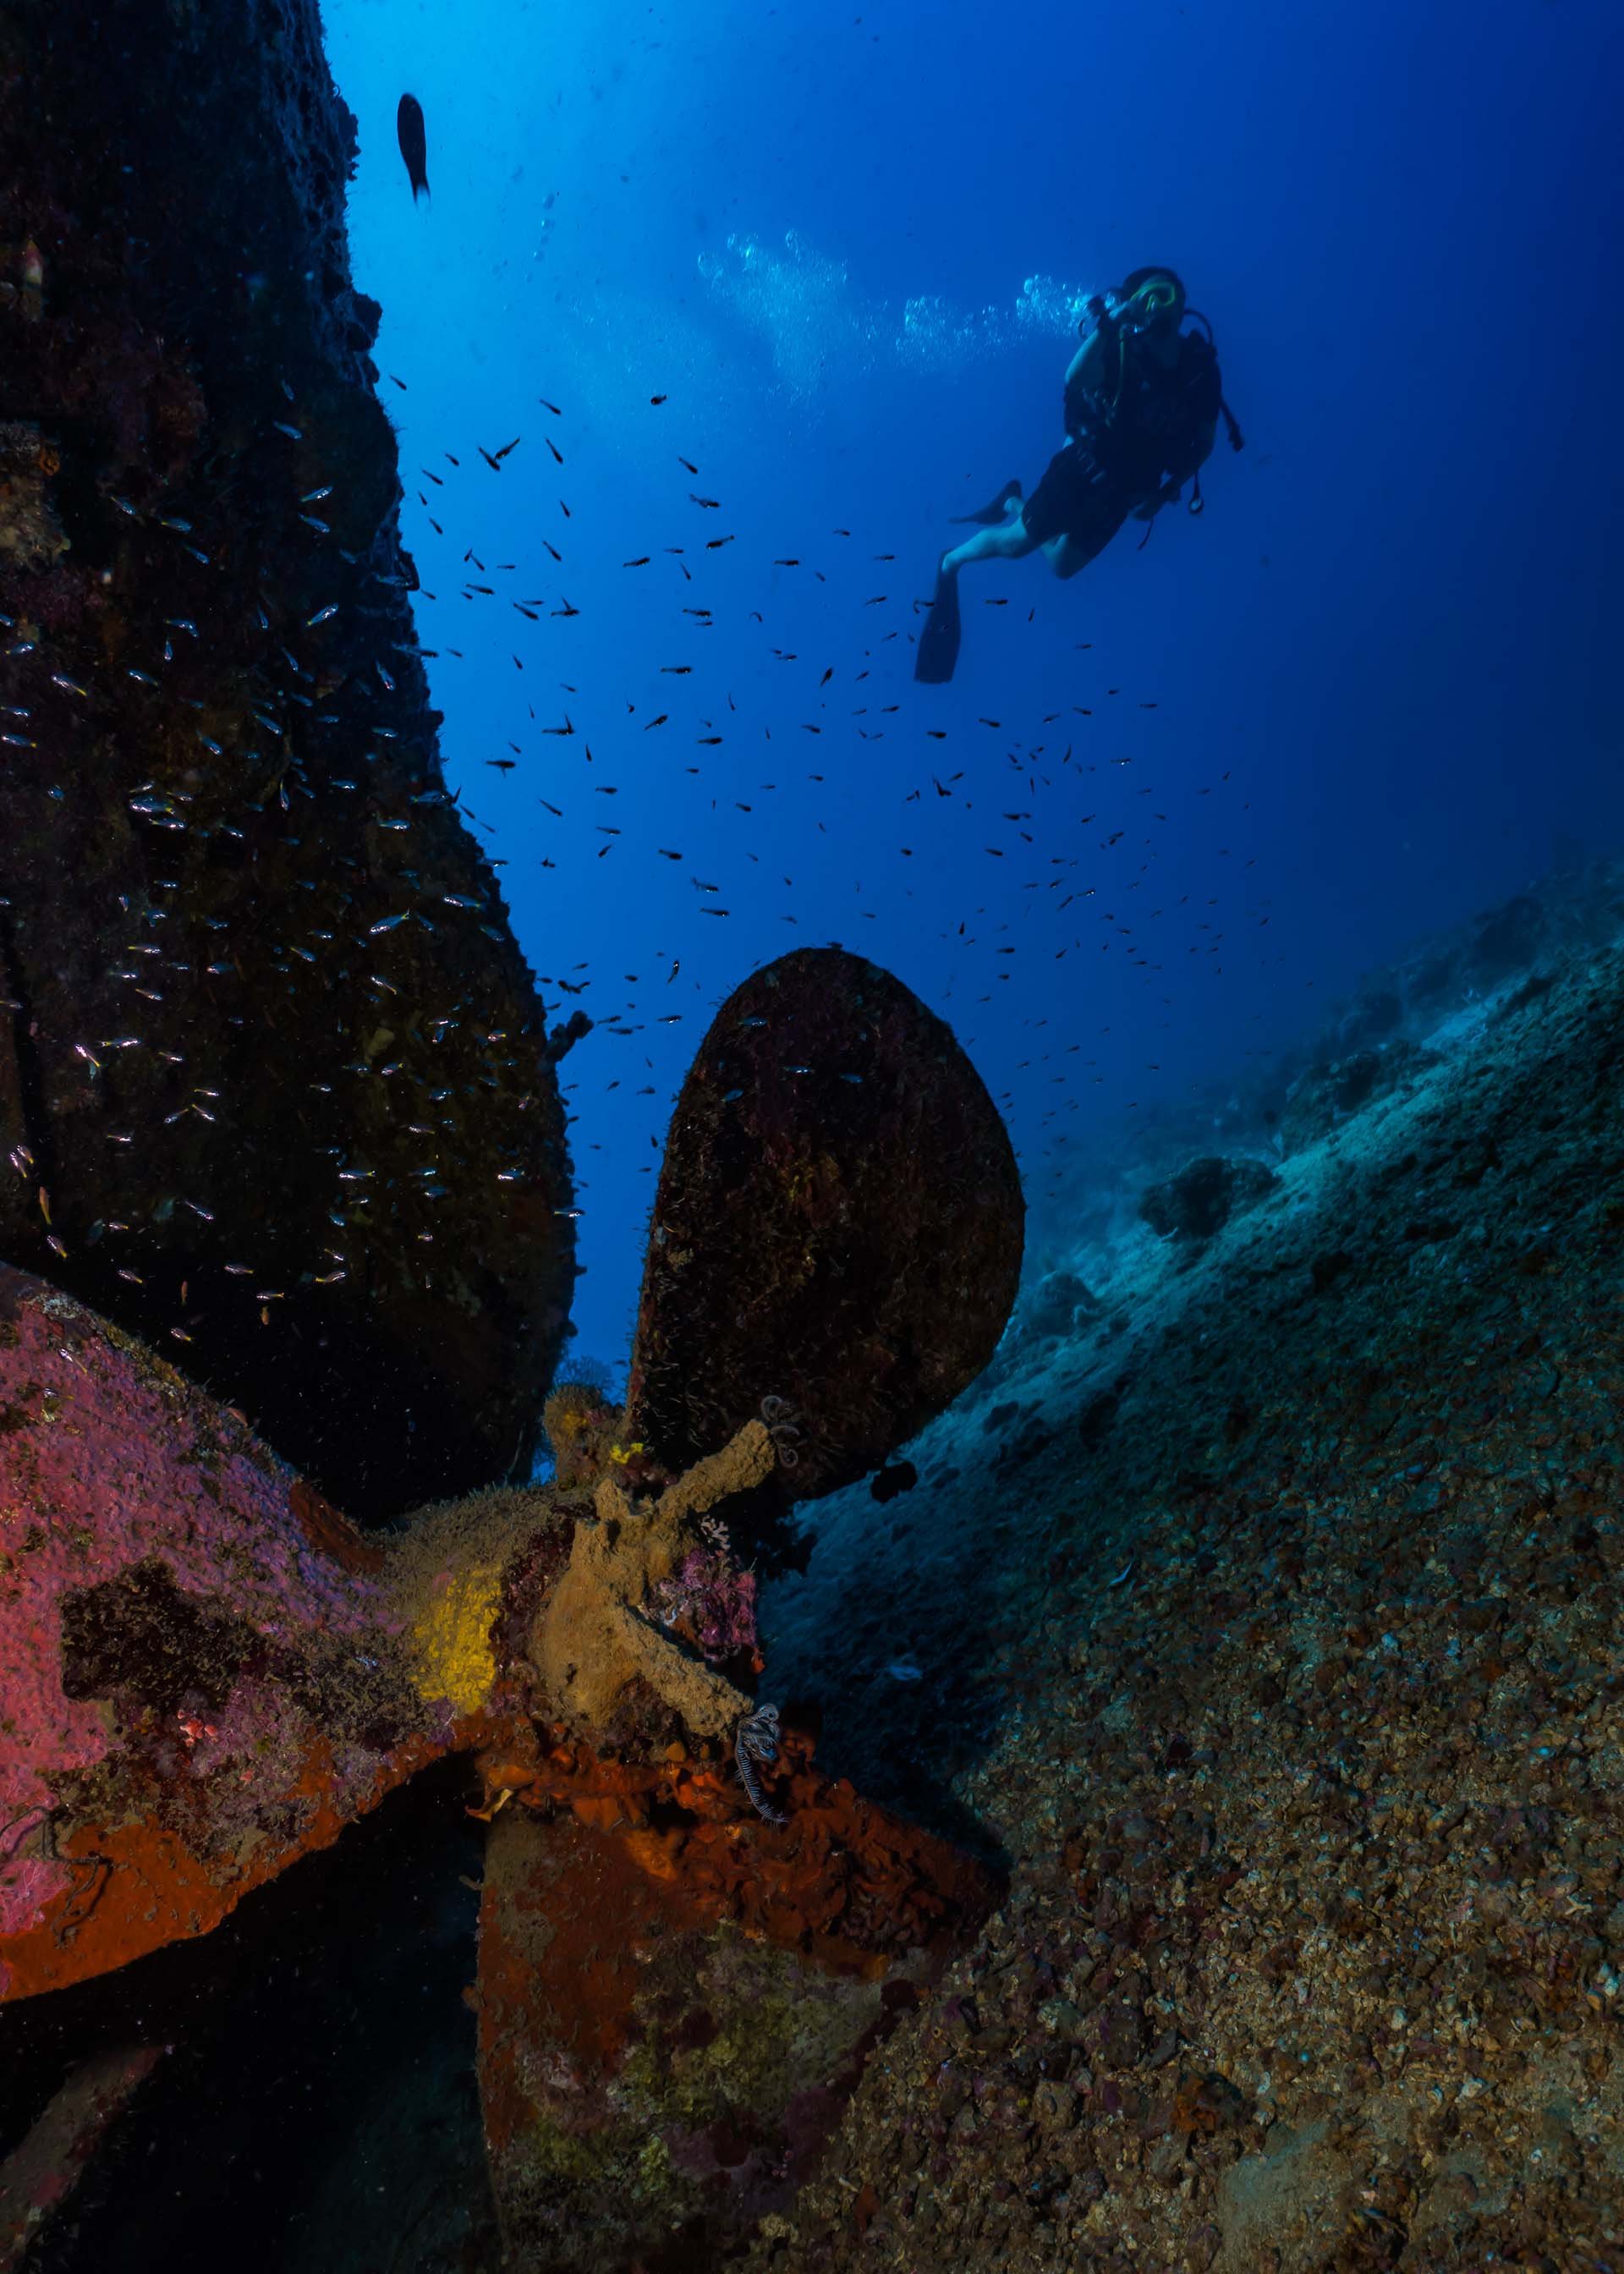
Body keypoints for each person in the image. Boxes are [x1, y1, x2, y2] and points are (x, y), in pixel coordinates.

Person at [914, 266, 1242, 683]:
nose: (1161, 306)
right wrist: (1114, 324)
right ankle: (951, 562)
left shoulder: (1201, 371)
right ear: (1134, 305)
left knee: (1062, 566)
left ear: (1183, 307)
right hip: (1080, 468)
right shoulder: (1121, 346)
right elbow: (1075, 378)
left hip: (1127, 493)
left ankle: (1013, 500)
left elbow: (1205, 444)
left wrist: (1167, 490)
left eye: (1169, 296)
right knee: (1017, 546)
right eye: (1150, 297)